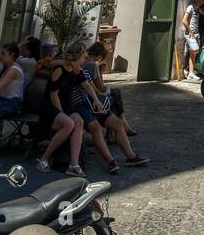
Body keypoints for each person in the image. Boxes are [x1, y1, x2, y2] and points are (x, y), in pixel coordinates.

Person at [59, 43, 149, 173]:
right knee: (96, 128)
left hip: (93, 104)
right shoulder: (70, 69)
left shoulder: (83, 69)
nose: (85, 58)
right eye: (83, 56)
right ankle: (110, 161)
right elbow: (55, 65)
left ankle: (130, 156)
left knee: (117, 123)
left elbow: (93, 88)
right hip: (80, 105)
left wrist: (98, 99)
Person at [36, 51, 85, 176]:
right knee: (69, 123)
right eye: (82, 58)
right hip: (50, 107)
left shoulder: (76, 71)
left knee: (78, 121)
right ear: (76, 60)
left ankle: (74, 164)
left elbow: (87, 85)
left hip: (65, 106)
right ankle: (44, 158)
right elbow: (53, 95)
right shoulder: (59, 70)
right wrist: (61, 113)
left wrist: (96, 99)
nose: (83, 61)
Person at [84, 42, 137, 137]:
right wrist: (100, 71)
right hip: (91, 95)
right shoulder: (92, 65)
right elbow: (101, 87)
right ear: (99, 55)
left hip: (87, 92)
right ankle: (123, 126)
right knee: (114, 95)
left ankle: (119, 128)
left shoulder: (84, 61)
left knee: (115, 94)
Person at [182, 0, 204, 82]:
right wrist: (191, 32)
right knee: (192, 53)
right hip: (191, 34)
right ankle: (189, 72)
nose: (201, 1)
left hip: (196, 33)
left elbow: (203, 12)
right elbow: (184, 21)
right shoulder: (191, 7)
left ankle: (191, 72)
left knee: (193, 53)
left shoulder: (197, 8)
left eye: (203, 0)